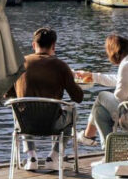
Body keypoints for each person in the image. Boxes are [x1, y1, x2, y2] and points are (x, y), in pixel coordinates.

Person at [11, 26, 85, 171]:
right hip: (52, 124)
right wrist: (70, 79)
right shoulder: (61, 66)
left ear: (34, 45)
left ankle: (31, 157)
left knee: (20, 108)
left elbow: (8, 95)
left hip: (25, 125)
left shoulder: (19, 64)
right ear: (53, 46)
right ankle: (53, 156)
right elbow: (78, 97)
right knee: (73, 113)